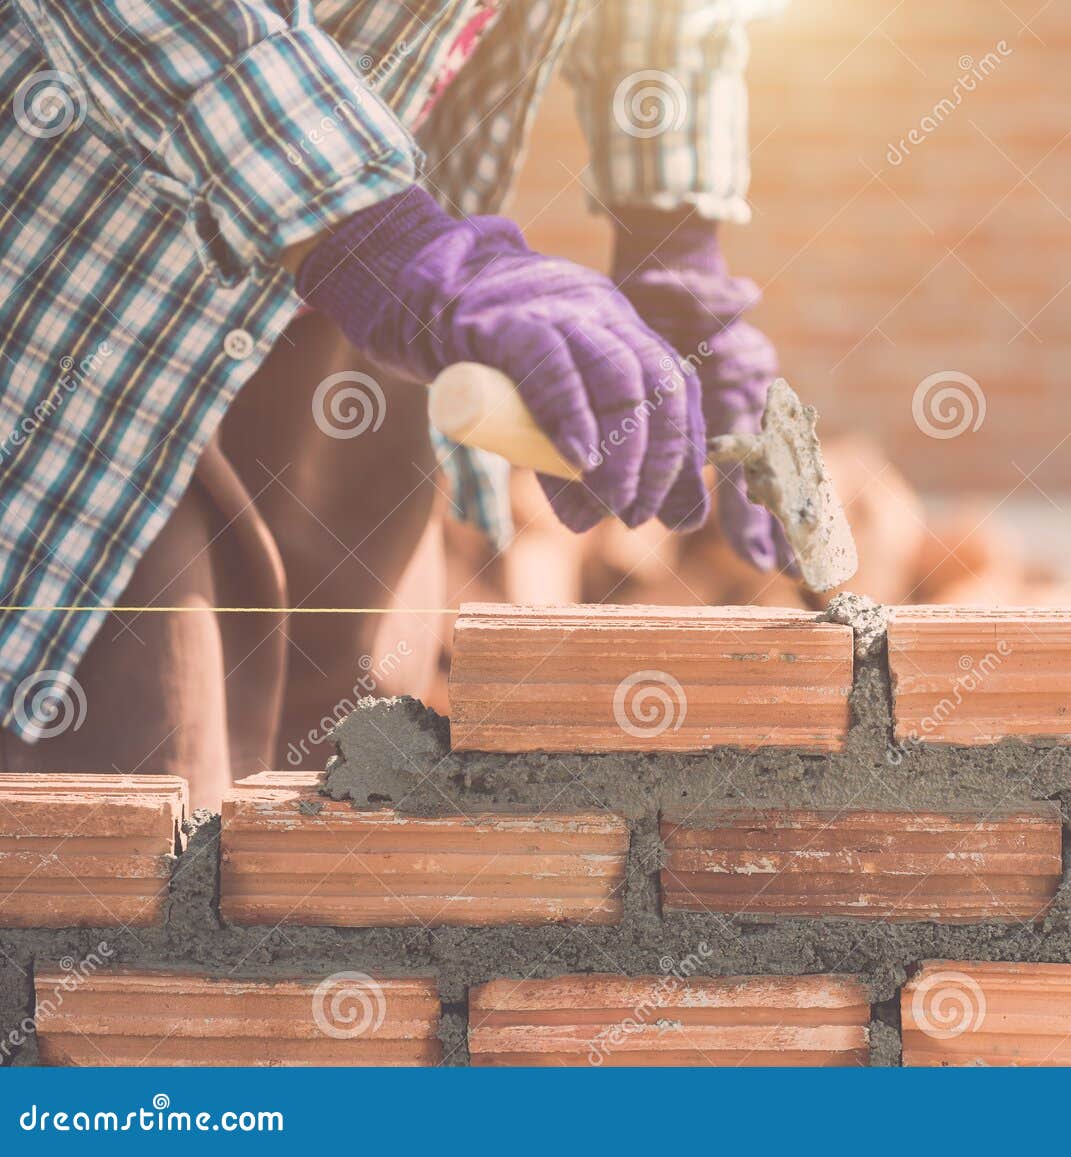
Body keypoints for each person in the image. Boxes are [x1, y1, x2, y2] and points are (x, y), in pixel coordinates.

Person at [0, 0, 789, 806]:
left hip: (350, 320)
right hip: (89, 301)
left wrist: (674, 237)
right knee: (133, 784)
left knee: (350, 789)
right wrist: (382, 239)